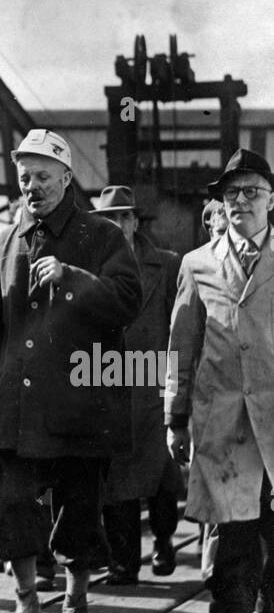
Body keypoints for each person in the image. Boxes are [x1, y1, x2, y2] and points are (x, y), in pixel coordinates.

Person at [0, 128, 142, 613]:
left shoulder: (102, 237)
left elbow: (127, 302)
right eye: (24, 177)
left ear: (67, 178)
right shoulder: (4, 244)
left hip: (79, 403)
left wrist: (71, 278)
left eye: (43, 176)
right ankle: (25, 606)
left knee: (78, 509)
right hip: (18, 405)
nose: (32, 186)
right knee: (11, 505)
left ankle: (75, 607)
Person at [166, 148, 274, 613]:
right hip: (224, 418)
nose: (240, 201)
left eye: (251, 191)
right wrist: (175, 416)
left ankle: (267, 612)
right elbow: (180, 344)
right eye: (231, 194)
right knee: (234, 524)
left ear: (271, 200)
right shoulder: (198, 264)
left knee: (270, 522)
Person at [90, 186, 181, 585]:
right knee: (115, 481)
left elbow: (181, 327)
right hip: (105, 381)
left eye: (124, 216)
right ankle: (124, 563)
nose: (118, 224)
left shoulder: (167, 266)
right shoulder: (87, 267)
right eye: (110, 218)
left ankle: (164, 538)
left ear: (136, 221)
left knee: (160, 476)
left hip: (154, 383)